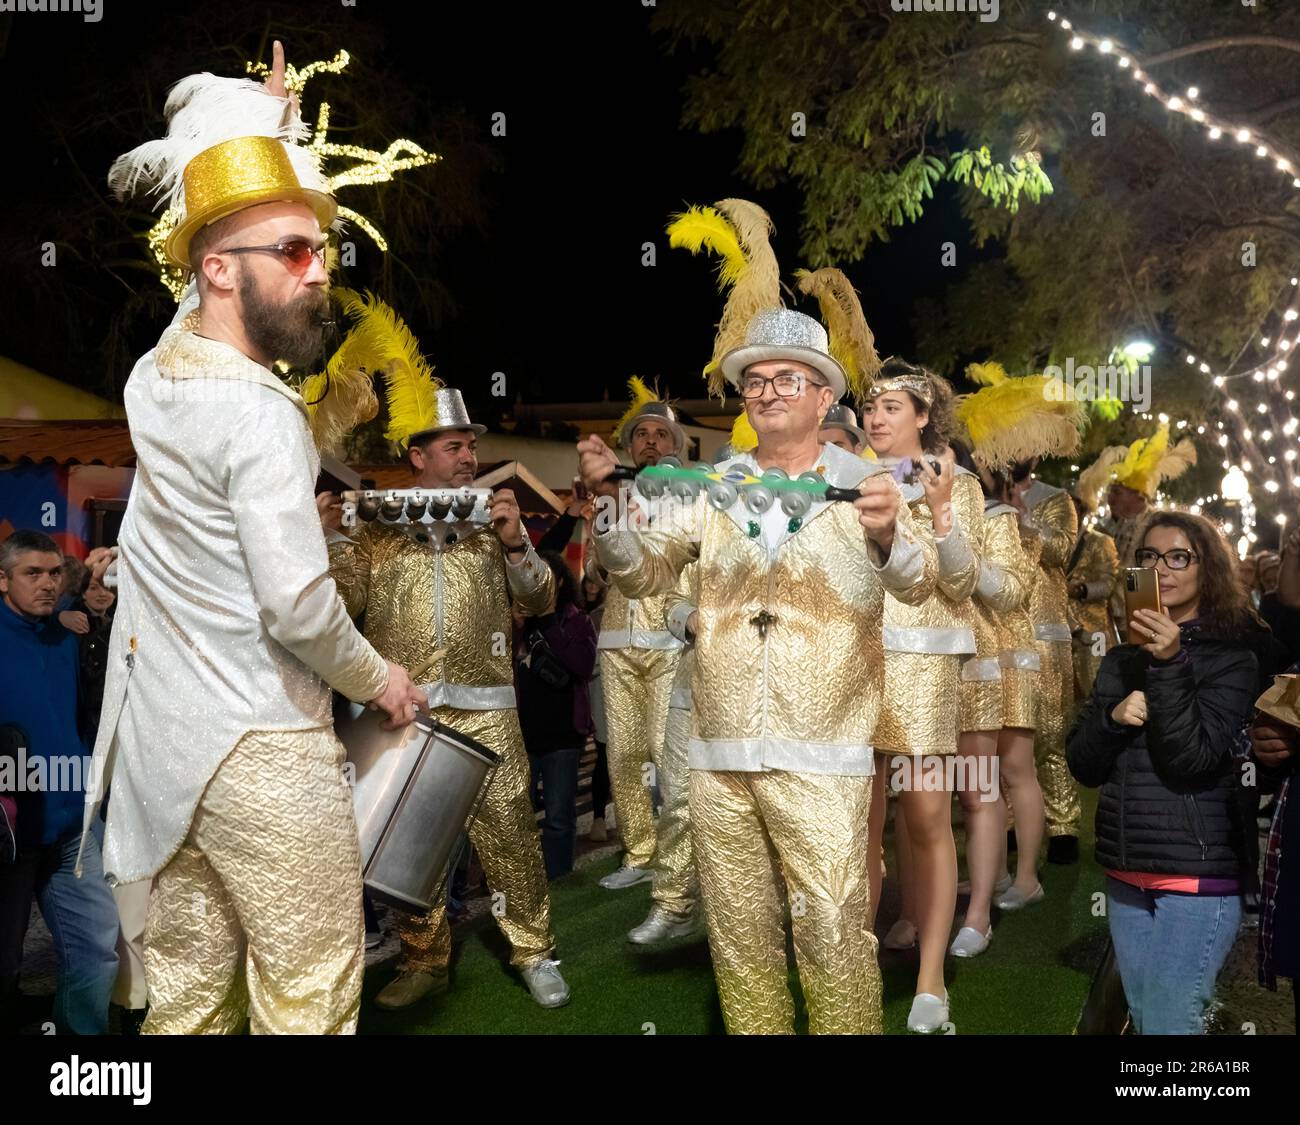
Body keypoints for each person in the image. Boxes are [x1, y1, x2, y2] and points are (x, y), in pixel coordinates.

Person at [83, 46, 425, 1035]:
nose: (318, 271)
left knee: (186, 1001)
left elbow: (199, 299)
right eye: (292, 252)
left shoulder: (158, 378)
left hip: (166, 765)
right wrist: (380, 682)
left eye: (319, 251)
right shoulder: (262, 415)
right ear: (217, 268)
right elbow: (298, 607)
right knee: (309, 989)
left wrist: (265, 131)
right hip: (265, 753)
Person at [599, 200, 936, 1034]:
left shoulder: (873, 482)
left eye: (789, 378)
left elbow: (923, 583)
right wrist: (612, 526)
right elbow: (646, 569)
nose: (769, 390)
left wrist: (892, 535)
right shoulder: (715, 486)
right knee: (741, 937)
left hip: (823, 748)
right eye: (756, 380)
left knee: (829, 924)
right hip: (717, 749)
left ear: (823, 395)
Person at [323, 349, 569, 1010]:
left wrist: (518, 541)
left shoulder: (495, 523)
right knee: (410, 838)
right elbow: (338, 607)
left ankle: (535, 951)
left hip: (489, 704)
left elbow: (543, 598)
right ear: (418, 455)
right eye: (455, 445)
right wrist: (336, 540)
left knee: (512, 830)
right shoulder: (375, 531)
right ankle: (425, 956)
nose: (467, 456)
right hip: (404, 707)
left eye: (470, 446)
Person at [1067, 511, 1258, 1034]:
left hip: (1197, 879)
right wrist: (1111, 718)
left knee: (1173, 1023)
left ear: (1207, 570)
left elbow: (1191, 759)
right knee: (1151, 1020)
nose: (1163, 569)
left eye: (1179, 557)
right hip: (1128, 877)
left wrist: (1170, 662)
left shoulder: (1231, 661)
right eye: (1150, 557)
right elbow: (1082, 765)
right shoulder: (1118, 662)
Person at [861, 361, 981, 1029]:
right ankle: (860, 960)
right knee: (858, 824)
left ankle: (932, 981)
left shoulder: (951, 480)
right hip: (850, 663)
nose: (877, 417)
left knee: (930, 816)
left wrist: (940, 514)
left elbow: (962, 584)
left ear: (923, 415)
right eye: (871, 406)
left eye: (892, 407)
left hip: (925, 662)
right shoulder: (846, 474)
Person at [0, 531, 119, 1035]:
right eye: (32, 574)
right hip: (9, 833)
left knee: (95, 947)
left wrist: (91, 579)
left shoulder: (64, 629)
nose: (46, 585)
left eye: (52, 573)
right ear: (3, 579)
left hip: (72, 824)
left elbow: (80, 590)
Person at [589, 379, 690, 905]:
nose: (651, 442)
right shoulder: (610, 494)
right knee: (624, 753)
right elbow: (592, 571)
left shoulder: (692, 495)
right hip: (615, 637)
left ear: (677, 446)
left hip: (669, 639)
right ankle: (639, 853)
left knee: (666, 754)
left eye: (661, 435)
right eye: (642, 435)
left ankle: (678, 861)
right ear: (628, 446)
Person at [515, 552, 598, 880]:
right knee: (516, 816)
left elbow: (582, 665)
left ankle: (558, 880)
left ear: (560, 581)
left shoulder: (577, 620)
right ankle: (521, 882)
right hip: (521, 732)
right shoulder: (518, 619)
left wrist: (550, 622)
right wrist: (515, 627)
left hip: (563, 734)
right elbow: (496, 666)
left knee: (559, 817)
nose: (537, 583)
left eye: (545, 576)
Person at [1066, 492, 1120, 700]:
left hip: (1094, 631)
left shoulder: (1101, 542)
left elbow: (1109, 583)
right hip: (1063, 630)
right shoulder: (1052, 543)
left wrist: (1081, 590)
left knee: (1097, 690)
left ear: (1082, 511)